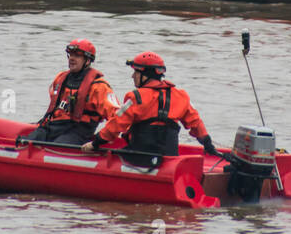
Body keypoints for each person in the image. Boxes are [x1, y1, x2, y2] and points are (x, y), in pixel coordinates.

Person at [81, 51, 219, 160]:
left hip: (140, 157)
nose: (132, 76)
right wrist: (207, 144)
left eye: (136, 72)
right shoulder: (181, 96)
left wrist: (95, 143)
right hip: (170, 156)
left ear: (145, 74)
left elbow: (116, 125)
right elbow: (196, 123)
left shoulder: (135, 97)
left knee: (112, 155)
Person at [25, 40, 119, 146]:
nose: (72, 58)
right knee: (26, 142)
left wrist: (100, 139)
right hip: (54, 126)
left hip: (78, 132)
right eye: (71, 55)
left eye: (77, 55)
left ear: (87, 61)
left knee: (57, 147)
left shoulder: (99, 87)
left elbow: (117, 116)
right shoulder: (60, 78)